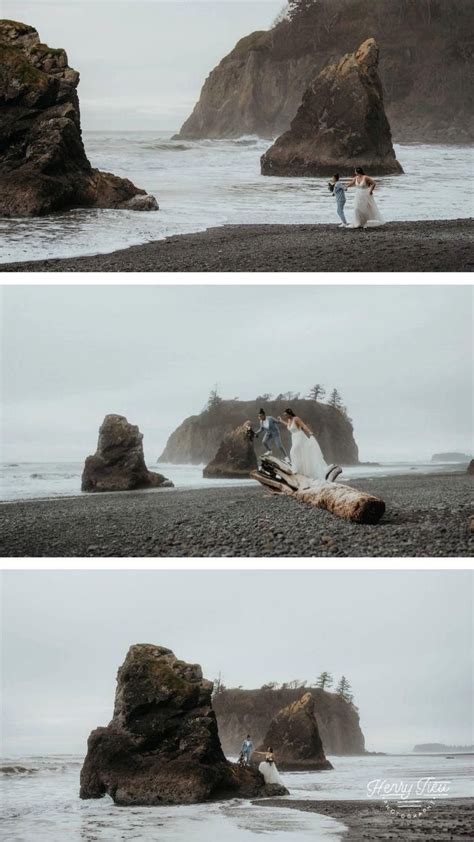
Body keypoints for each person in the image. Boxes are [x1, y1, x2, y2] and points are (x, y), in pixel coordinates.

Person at [279, 408, 341, 481]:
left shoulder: (296, 419)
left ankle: (295, 469)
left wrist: (309, 432)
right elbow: (289, 426)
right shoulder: (289, 420)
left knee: (293, 451)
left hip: (300, 436)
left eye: (286, 415)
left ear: (289, 414)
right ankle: (299, 470)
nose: (285, 416)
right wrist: (281, 421)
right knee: (299, 454)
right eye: (284, 415)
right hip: (294, 438)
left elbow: (303, 425)